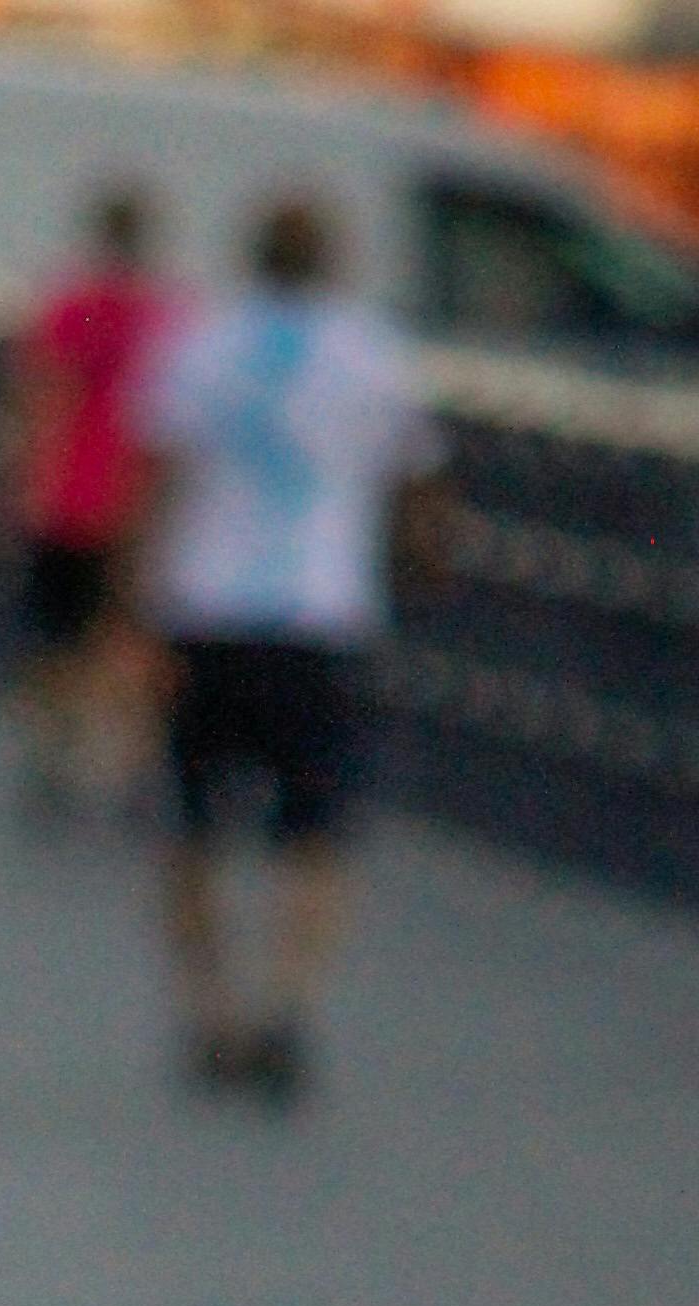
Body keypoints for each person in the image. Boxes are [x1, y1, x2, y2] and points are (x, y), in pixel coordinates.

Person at [130, 191, 447, 1101]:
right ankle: (289, 1004)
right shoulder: (371, 353)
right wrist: (418, 572)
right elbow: (420, 481)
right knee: (316, 833)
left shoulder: (200, 346)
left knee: (191, 827)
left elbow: (155, 481)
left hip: (206, 611)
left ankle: (208, 1012)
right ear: (335, 260)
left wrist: (136, 609)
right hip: (320, 618)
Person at [7, 187, 174, 811]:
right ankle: (135, 762)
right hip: (138, 499)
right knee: (132, 635)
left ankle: (53, 752)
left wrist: (25, 480)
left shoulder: (75, 307)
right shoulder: (166, 315)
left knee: (56, 633)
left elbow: (42, 395)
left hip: (70, 492)